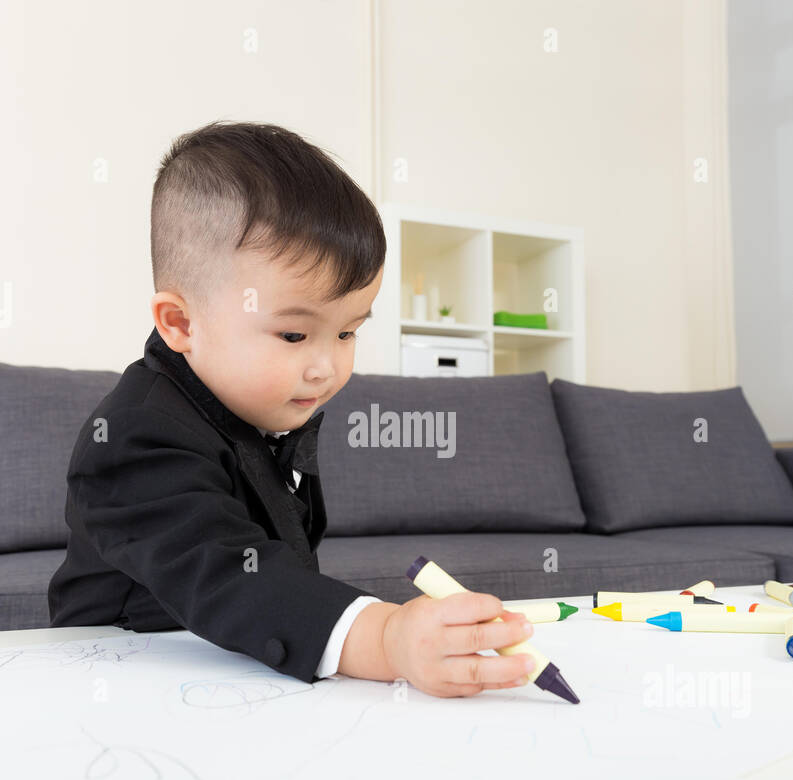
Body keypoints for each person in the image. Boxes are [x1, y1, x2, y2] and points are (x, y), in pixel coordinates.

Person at [48, 121, 535, 699]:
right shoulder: (133, 437)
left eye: (349, 333)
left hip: (239, 667)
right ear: (181, 322)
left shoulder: (268, 405)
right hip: (123, 678)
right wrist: (384, 637)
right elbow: (232, 575)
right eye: (294, 336)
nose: (326, 368)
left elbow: (285, 566)